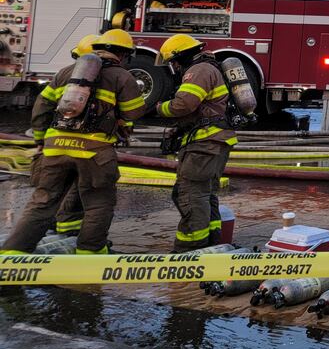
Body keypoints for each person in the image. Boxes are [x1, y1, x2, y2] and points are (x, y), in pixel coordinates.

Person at [1, 29, 145, 254]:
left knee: (42, 202)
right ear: (123, 54)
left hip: (55, 148)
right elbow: (134, 112)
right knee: (99, 202)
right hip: (94, 151)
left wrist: (40, 139)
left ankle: (13, 253)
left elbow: (41, 107)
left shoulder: (66, 72)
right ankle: (90, 251)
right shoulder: (121, 76)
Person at [156, 34, 237, 251]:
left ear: (180, 56)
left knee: (190, 196)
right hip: (214, 141)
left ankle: (189, 250)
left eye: (172, 61)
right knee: (203, 195)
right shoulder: (210, 68)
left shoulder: (199, 70)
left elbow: (183, 105)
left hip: (205, 144)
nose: (172, 66)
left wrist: (158, 108)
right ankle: (212, 244)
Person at [28, 33, 99, 238]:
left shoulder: (62, 74)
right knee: (76, 190)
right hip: (86, 149)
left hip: (54, 144)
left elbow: (41, 108)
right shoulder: (107, 78)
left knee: (47, 192)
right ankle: (68, 232)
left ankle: (38, 235)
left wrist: (40, 139)